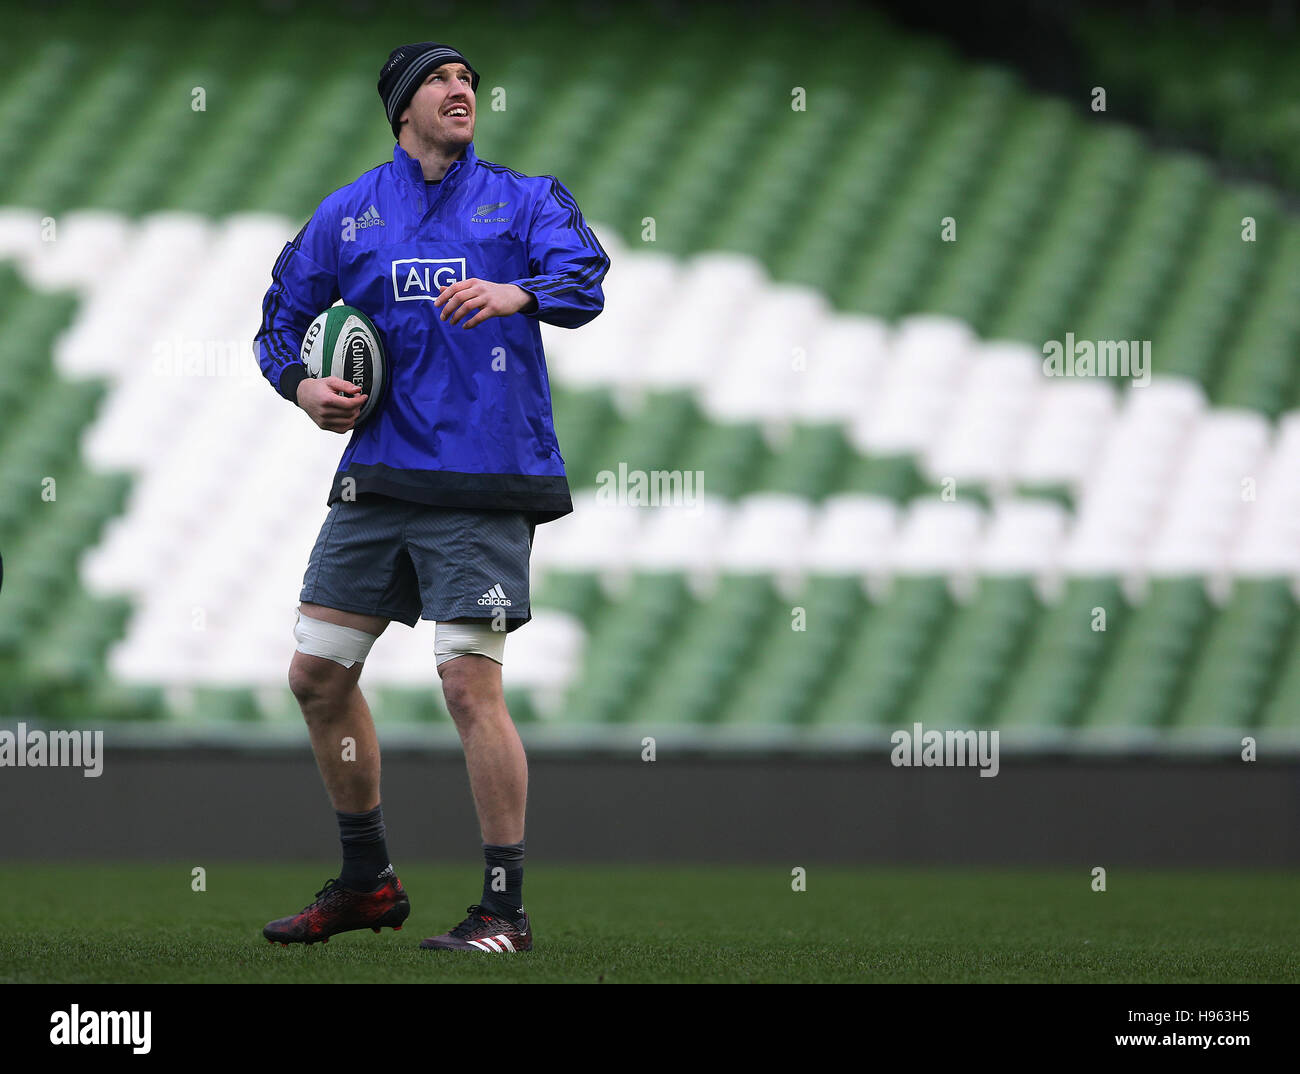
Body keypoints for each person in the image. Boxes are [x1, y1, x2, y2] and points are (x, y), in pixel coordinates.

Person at [252, 41, 609, 953]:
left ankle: (504, 910)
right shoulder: (348, 214)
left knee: (466, 684)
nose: (462, 92)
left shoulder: (527, 199)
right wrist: (302, 387)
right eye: (441, 82)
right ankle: (369, 882)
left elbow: (587, 281)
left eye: (470, 83)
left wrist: (515, 291)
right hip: (380, 477)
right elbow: (279, 321)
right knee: (317, 676)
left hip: (485, 476)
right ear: (402, 109)